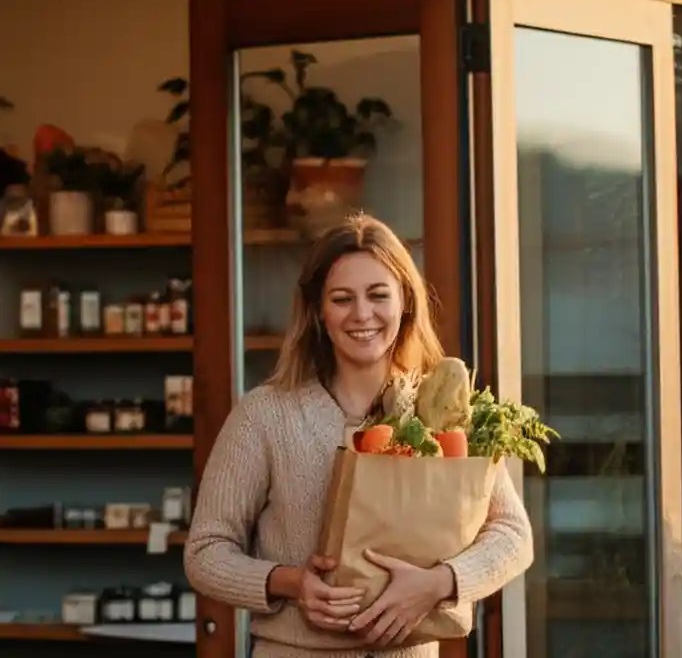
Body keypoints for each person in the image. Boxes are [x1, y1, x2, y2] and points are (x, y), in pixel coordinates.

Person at [183, 213, 533, 657]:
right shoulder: (265, 415)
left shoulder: (444, 413)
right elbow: (205, 552)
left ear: (405, 301)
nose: (362, 314)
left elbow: (512, 534)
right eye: (342, 298)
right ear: (318, 312)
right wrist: (291, 582)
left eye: (378, 295)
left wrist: (438, 583)